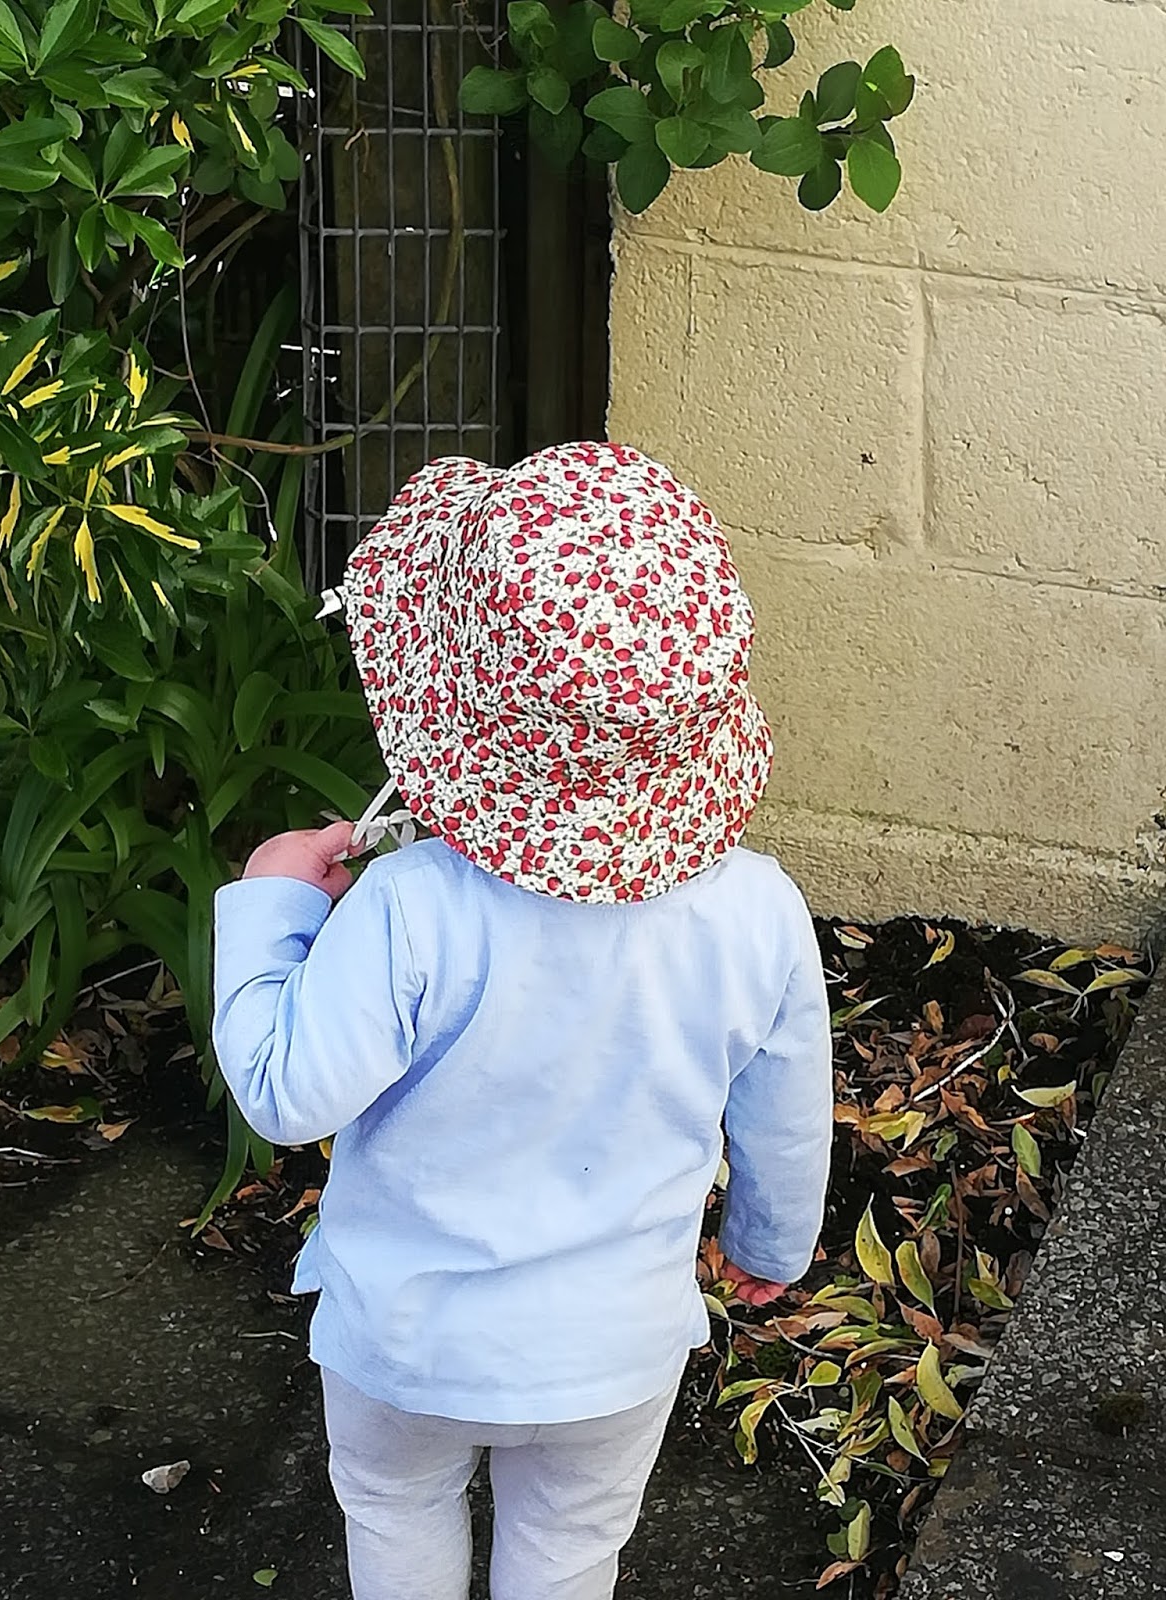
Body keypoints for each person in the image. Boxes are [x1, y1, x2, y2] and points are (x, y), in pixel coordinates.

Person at [213, 442, 833, 1600]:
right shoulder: (759, 911)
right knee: (567, 1554)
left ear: (447, 692)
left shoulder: (410, 905)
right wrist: (767, 1246)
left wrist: (272, 901)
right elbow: (786, 1113)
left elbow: (285, 1091)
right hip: (614, 1350)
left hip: (405, 1343)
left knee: (396, 1509)